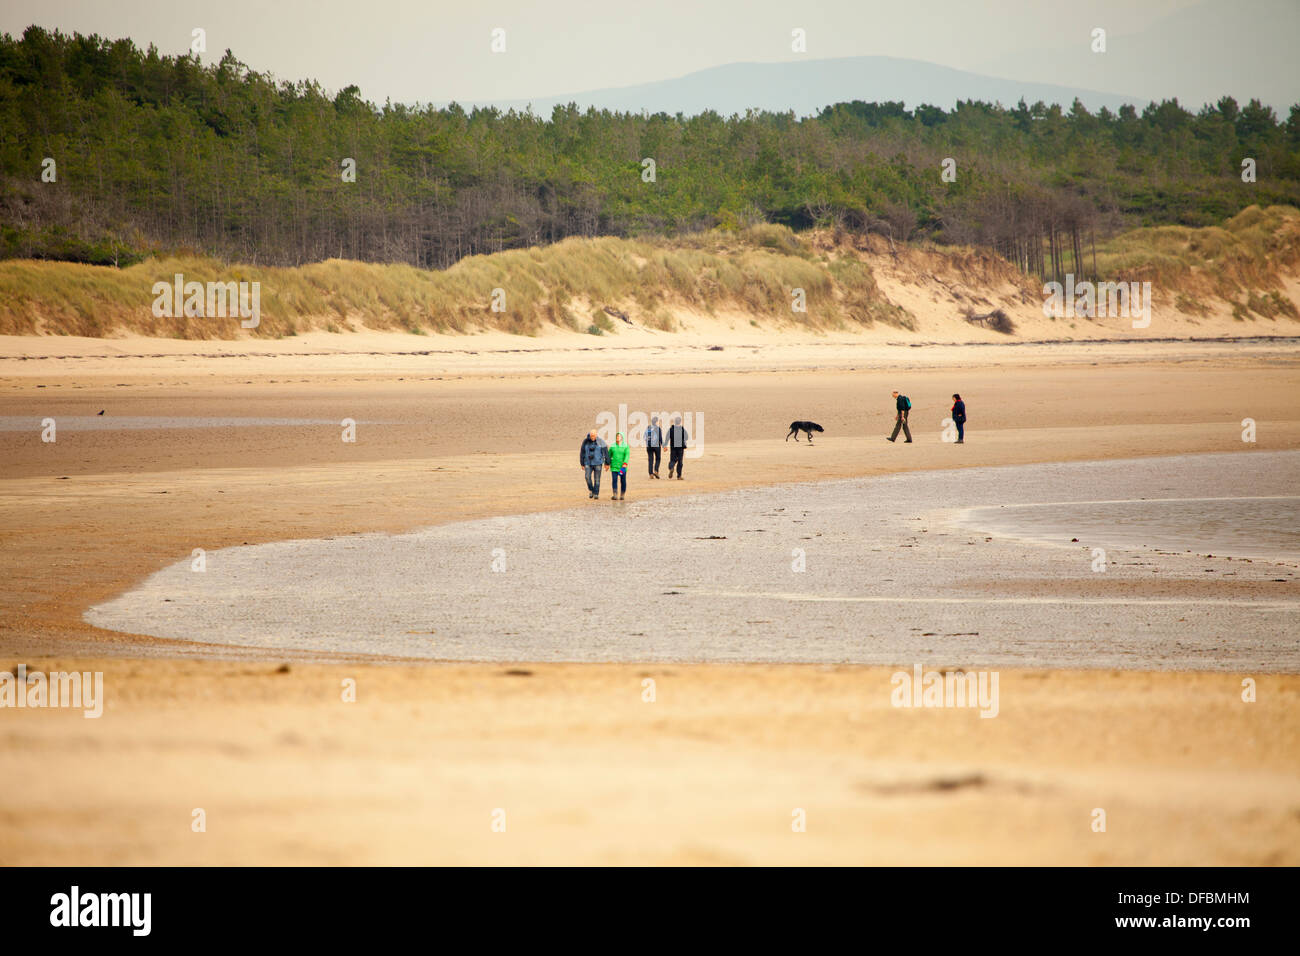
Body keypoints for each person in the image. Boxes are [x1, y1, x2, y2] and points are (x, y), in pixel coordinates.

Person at [579, 429, 608, 499]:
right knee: (587, 477)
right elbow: (582, 452)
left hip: (598, 463)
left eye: (594, 436)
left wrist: (607, 463)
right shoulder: (585, 441)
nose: (592, 437)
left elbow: (606, 452)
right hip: (587, 463)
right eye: (591, 436)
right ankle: (591, 490)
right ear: (589, 435)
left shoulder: (601, 441)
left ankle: (596, 494)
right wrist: (582, 463)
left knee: (597, 479)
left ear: (596, 435)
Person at [607, 432, 630, 500]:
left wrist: (625, 463)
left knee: (623, 481)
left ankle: (622, 494)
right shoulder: (612, 446)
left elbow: (627, 455)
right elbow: (609, 455)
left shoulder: (625, 446)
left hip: (622, 467)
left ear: (622, 438)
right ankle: (615, 494)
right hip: (614, 466)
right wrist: (607, 463)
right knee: (614, 480)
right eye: (617, 436)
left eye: (619, 436)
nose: (618, 438)